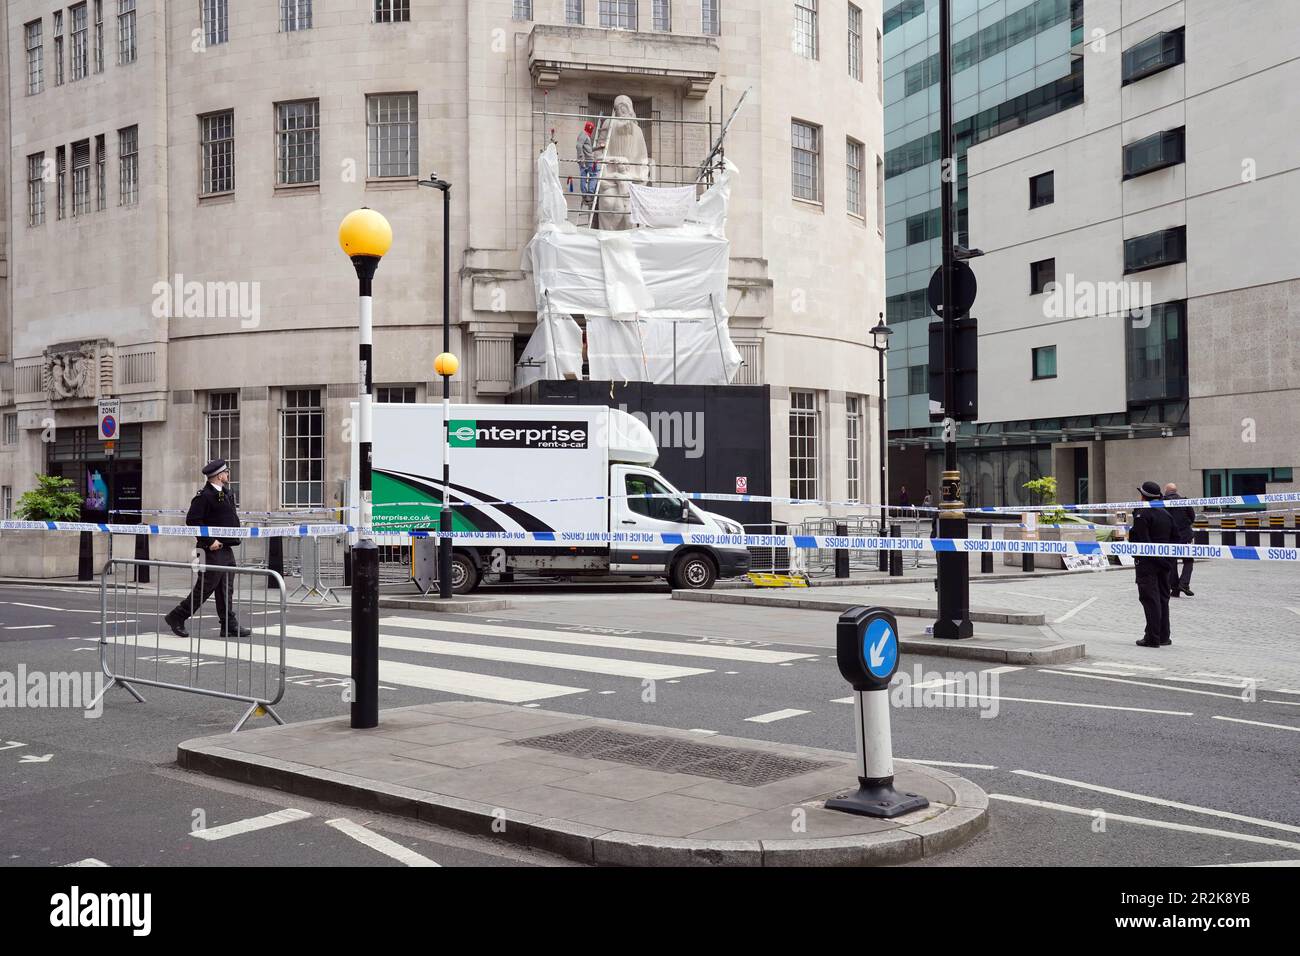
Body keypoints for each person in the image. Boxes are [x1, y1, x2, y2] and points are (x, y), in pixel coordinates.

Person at [164, 459, 251, 639]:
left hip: (226, 549)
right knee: (205, 588)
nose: (228, 474)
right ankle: (177, 616)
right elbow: (193, 521)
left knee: (226, 588)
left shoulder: (227, 493)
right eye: (226, 471)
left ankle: (228, 624)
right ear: (220, 475)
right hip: (209, 550)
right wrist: (210, 540)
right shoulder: (204, 496)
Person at [1129, 481, 1176, 648]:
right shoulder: (1166, 513)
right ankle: (1164, 636)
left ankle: (1152, 637)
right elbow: (1176, 537)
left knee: (1150, 599)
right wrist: (1167, 561)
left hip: (1148, 563)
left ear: (1143, 496)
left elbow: (1142, 540)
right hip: (1164, 563)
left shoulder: (1143, 514)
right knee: (1163, 598)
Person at [1163, 482, 1195, 597]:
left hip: (1170, 537)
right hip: (1185, 536)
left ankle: (1175, 588)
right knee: (1188, 561)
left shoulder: (1162, 503)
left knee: (1172, 562)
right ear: (1176, 491)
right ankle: (1184, 583)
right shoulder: (1184, 501)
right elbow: (1192, 517)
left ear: (1166, 491)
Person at [576, 121, 597, 201]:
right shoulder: (584, 134)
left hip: (585, 160)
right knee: (594, 175)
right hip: (587, 160)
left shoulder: (585, 135)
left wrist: (598, 147)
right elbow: (578, 146)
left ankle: (585, 195)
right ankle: (590, 194)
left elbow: (589, 149)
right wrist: (582, 159)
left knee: (583, 176)